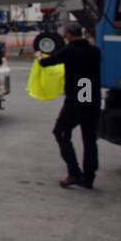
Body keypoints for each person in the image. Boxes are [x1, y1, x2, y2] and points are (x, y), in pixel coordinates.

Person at [38, 22, 102, 189]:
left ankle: (74, 172)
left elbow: (48, 62)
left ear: (69, 35)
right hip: (91, 97)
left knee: (60, 132)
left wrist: (39, 58)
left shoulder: (70, 50)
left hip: (78, 99)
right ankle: (89, 177)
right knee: (89, 140)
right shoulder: (95, 51)